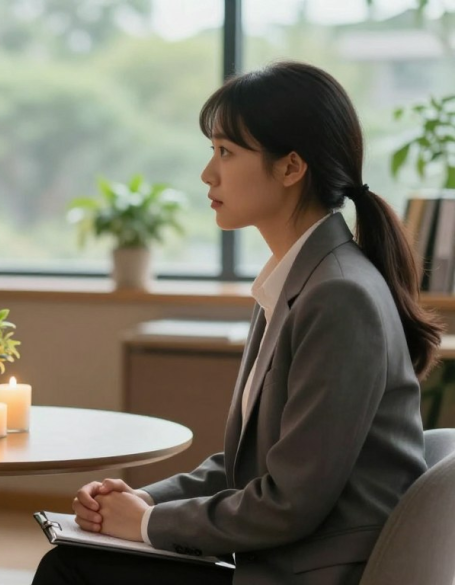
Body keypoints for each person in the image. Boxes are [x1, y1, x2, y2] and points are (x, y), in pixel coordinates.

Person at [33, 61, 442, 585]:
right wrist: (142, 502)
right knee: (78, 562)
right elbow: (252, 466)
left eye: (226, 152)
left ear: (291, 167)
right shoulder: (299, 278)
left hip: (308, 573)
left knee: (71, 569)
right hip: (278, 557)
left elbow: (290, 502)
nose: (208, 173)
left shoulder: (339, 294)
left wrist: (147, 524)